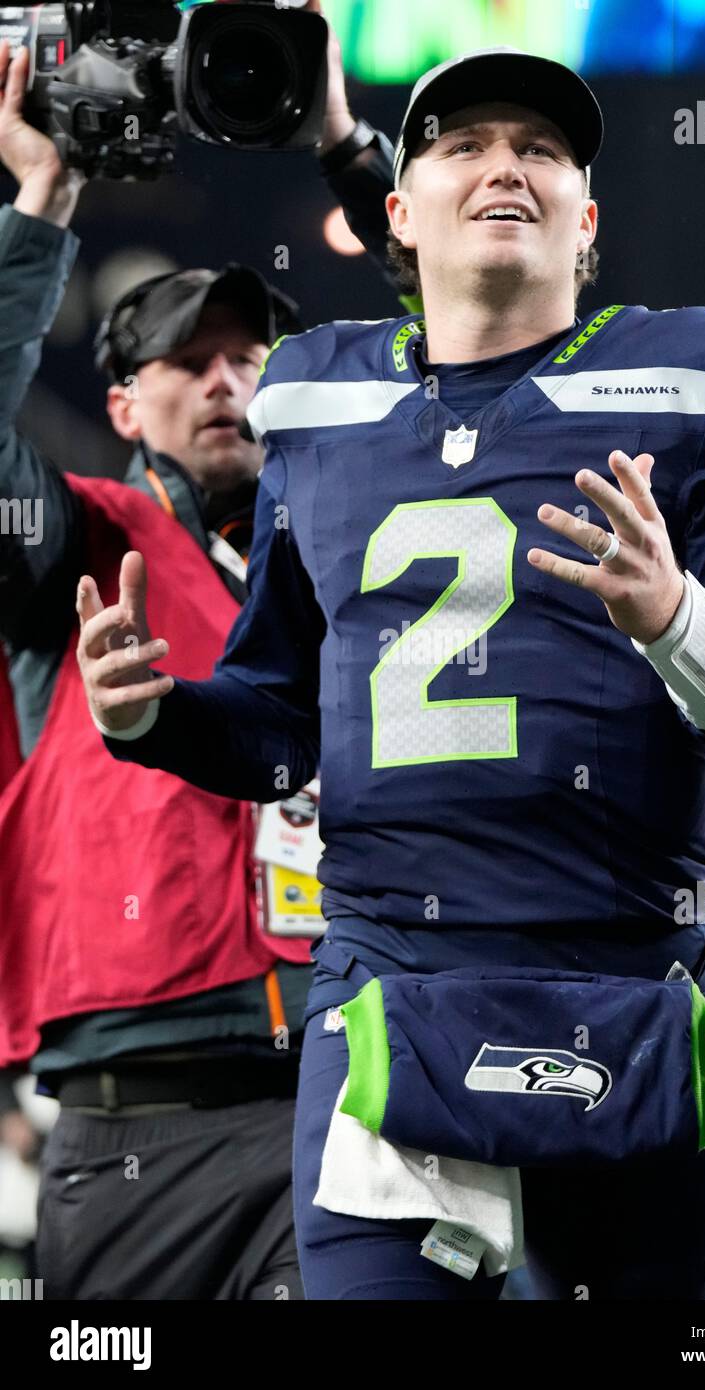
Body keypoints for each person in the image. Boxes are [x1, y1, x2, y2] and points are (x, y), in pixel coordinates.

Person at [78, 47, 705, 1300]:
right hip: (393, 992)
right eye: (463, 144)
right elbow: (279, 726)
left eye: (540, 149)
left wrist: (676, 620)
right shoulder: (316, 399)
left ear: (585, 219)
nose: (504, 166)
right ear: (399, 209)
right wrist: (157, 716)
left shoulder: (698, 384)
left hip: (626, 998)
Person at [0, 0, 395, 1300]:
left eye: (251, 355)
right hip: (139, 1115)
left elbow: (498, 348)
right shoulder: (75, 539)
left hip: (352, 1088)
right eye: (190, 358)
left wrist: (343, 143)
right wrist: (41, 202)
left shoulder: (364, 542)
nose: (228, 379)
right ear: (123, 403)